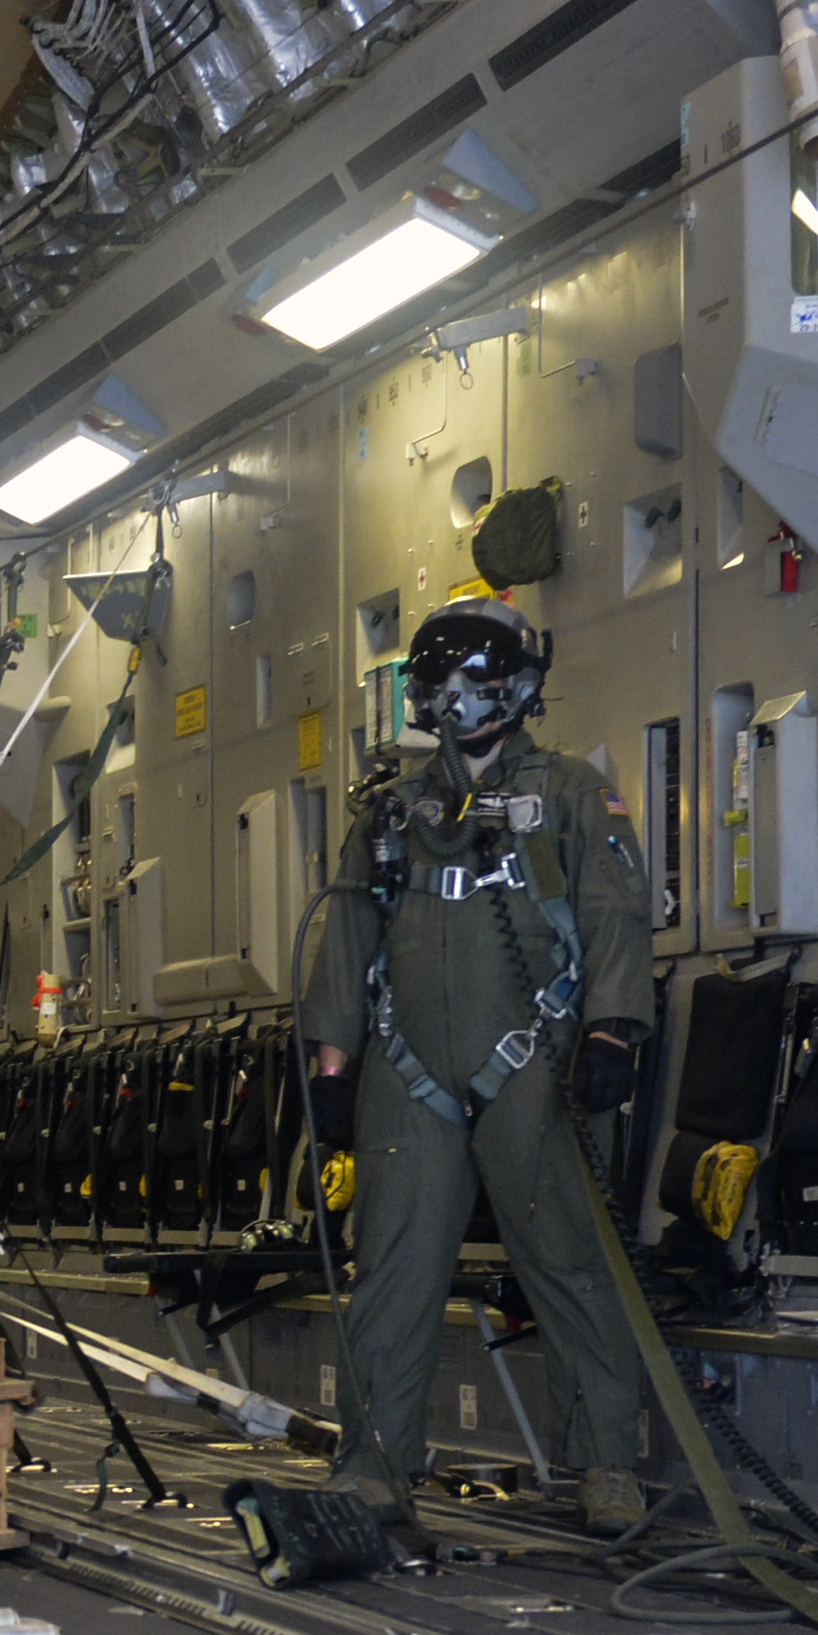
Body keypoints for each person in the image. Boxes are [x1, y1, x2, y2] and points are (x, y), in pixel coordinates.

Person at [296, 589, 657, 1537]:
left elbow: (616, 911)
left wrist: (614, 1028)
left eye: (475, 678)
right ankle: (373, 1462)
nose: (456, 698)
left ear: (518, 687)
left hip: (535, 1059)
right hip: (407, 1071)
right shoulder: (388, 815)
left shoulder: (575, 794)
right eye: (438, 681)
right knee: (392, 1266)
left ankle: (606, 1463)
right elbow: (344, 939)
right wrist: (330, 1072)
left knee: (571, 1260)